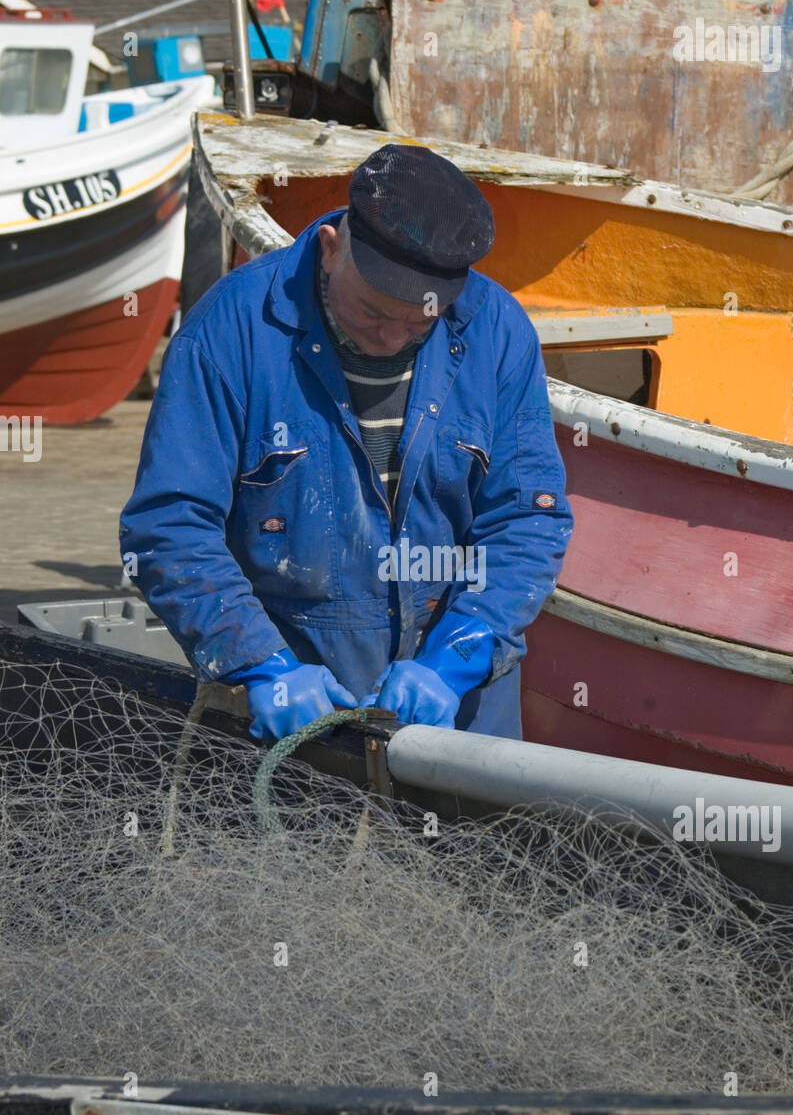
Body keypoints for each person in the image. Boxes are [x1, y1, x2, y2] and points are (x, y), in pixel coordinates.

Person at [120, 143, 572, 741]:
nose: (390, 339)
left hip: (457, 709)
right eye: (372, 313)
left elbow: (527, 521)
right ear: (331, 249)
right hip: (291, 707)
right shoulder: (228, 331)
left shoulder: (499, 330)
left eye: (417, 323)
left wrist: (455, 659)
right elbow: (170, 524)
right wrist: (260, 663)